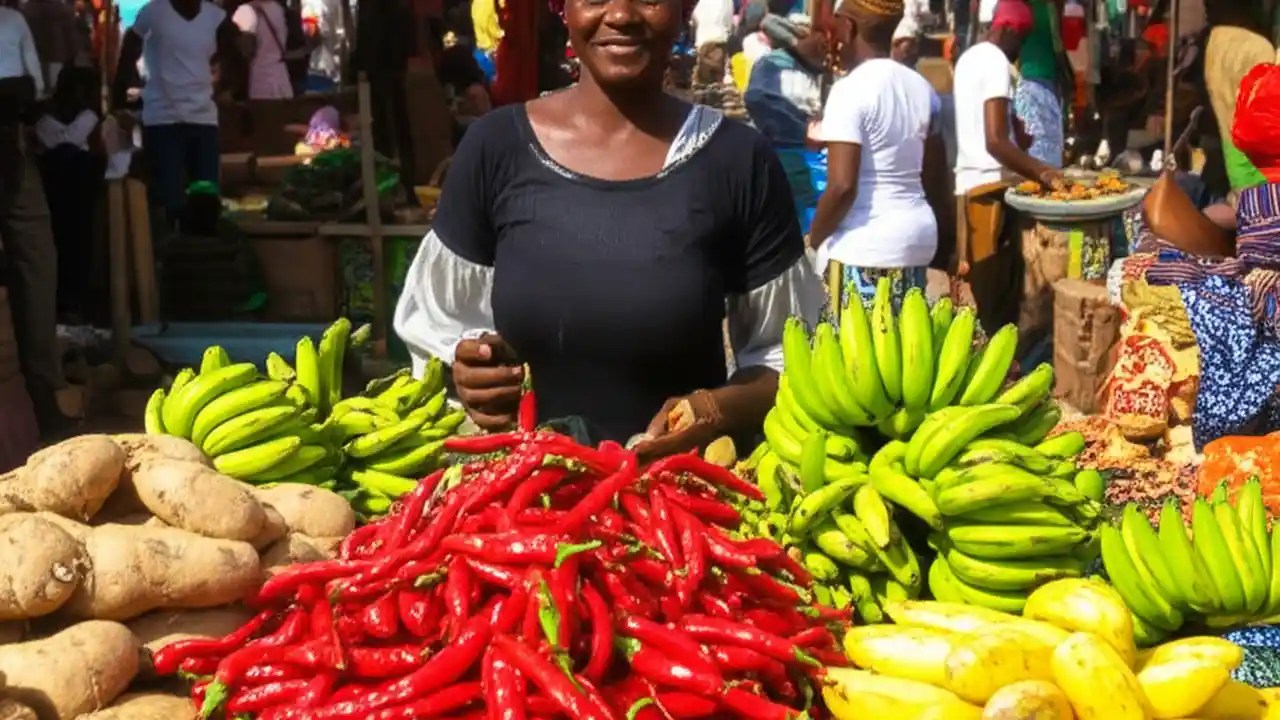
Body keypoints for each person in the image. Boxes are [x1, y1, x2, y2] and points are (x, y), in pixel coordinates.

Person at [394, 0, 822, 452]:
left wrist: (715, 410)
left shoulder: (738, 161)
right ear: (563, 9)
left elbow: (791, 358)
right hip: (522, 503)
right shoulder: (494, 150)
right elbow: (437, 330)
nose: (620, 14)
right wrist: (468, 374)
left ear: (683, 9)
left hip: (680, 505)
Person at [808, 0, 946, 311]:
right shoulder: (922, 88)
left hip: (865, 246)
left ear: (850, 27)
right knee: (902, 353)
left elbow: (842, 187)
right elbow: (935, 176)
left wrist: (813, 240)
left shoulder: (849, 90)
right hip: (917, 238)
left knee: (855, 355)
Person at [952, 0, 1061, 331]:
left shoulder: (969, 58)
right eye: (1021, 40)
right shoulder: (997, 62)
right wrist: (1044, 173)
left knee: (978, 290)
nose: (1019, 51)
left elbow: (994, 129)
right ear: (1010, 30)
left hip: (968, 188)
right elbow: (995, 140)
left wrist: (1020, 140)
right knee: (995, 302)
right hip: (990, 192)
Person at [0, 0, 67, 435]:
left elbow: (35, 90)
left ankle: (43, 397)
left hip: (9, 145)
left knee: (37, 264)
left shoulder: (12, 21)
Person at [113, 0, 241, 224]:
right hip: (163, 119)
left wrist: (229, 91)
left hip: (202, 119)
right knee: (170, 197)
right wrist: (119, 100)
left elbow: (237, 58)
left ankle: (203, 245)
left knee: (206, 195)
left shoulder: (216, 18)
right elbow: (128, 52)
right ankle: (172, 245)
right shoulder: (153, 13)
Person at [35, 65, 104, 322]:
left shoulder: (51, 120)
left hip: (72, 193)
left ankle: (70, 299)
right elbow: (68, 140)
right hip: (61, 192)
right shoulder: (47, 119)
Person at [743, 17, 824, 232]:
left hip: (808, 160)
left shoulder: (814, 69)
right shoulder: (776, 63)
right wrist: (802, 129)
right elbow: (757, 98)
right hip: (784, 155)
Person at [1012, 0, 1067, 168]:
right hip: (1037, 81)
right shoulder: (1045, 8)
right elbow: (1058, 46)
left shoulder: (1025, 6)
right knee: (1043, 149)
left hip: (1033, 79)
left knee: (1038, 145)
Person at [232, 0, 295, 99]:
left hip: (261, 81)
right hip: (282, 79)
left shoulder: (246, 11)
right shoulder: (277, 8)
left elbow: (246, 50)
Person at [20, 0, 79, 94]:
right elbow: (71, 35)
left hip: (36, 54)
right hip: (57, 54)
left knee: (40, 89)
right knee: (55, 88)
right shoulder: (62, 9)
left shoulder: (26, 9)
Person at [691, 0, 734, 86]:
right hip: (718, 40)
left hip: (702, 41)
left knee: (703, 79)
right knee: (717, 78)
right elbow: (729, 23)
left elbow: (693, 20)